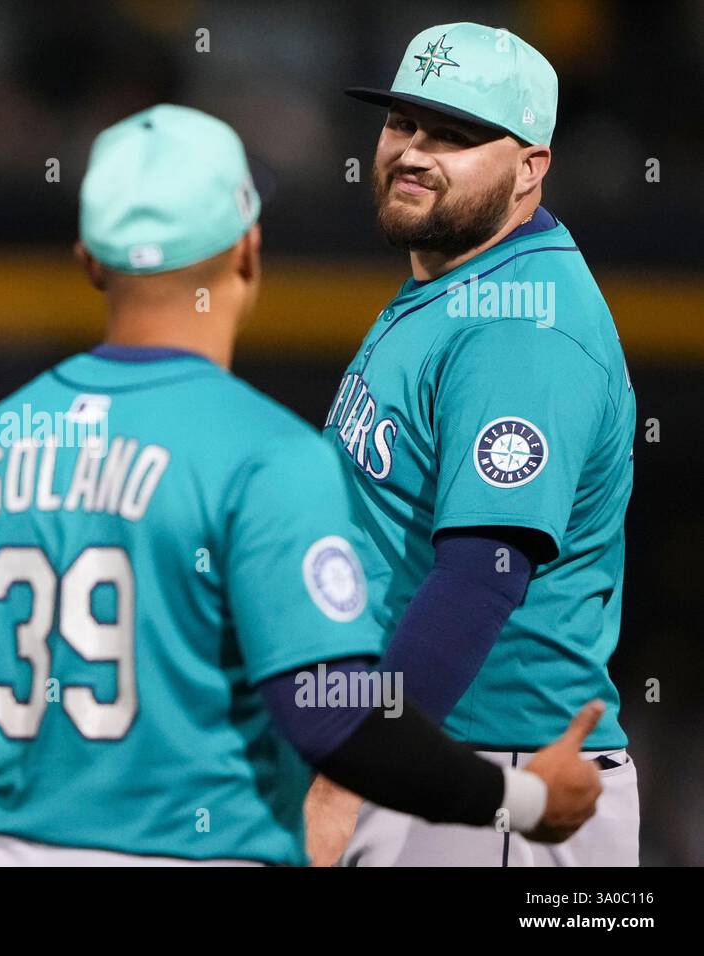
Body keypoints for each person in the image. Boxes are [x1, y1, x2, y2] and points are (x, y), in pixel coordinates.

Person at [0, 104, 604, 866]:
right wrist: (525, 801)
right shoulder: (266, 454)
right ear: (248, 250)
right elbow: (329, 715)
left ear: (88, 260)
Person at [307, 22, 638, 867]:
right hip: (425, 757)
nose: (414, 152)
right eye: (403, 123)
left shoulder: (522, 331)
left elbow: (479, 580)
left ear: (531, 168)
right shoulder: (456, 273)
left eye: (454, 134)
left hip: (489, 785)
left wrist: (349, 779)